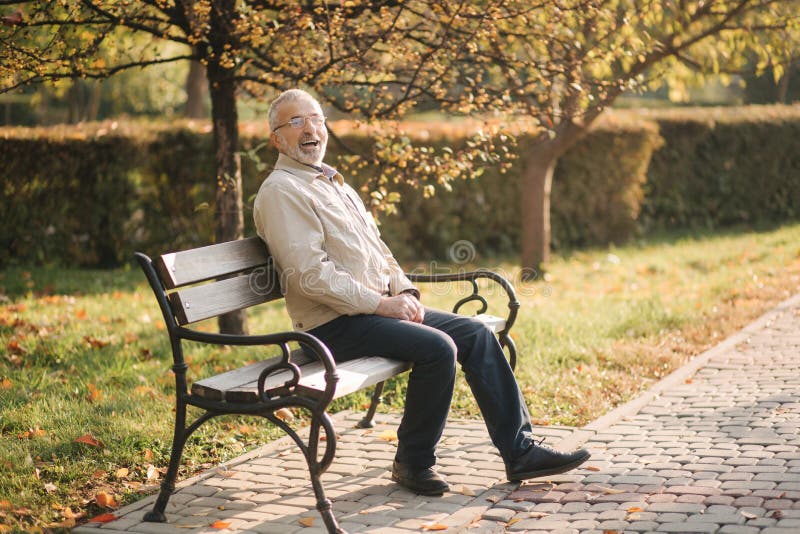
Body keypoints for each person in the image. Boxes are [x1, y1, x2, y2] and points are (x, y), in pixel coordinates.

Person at [253, 89, 590, 496]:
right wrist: (382, 303)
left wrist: (405, 292)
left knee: (476, 334)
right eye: (296, 122)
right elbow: (311, 275)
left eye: (317, 119)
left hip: (373, 312)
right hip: (330, 326)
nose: (310, 129)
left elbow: (379, 252)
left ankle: (520, 451)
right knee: (439, 348)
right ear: (278, 138)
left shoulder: (333, 183)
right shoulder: (281, 191)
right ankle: (412, 462)